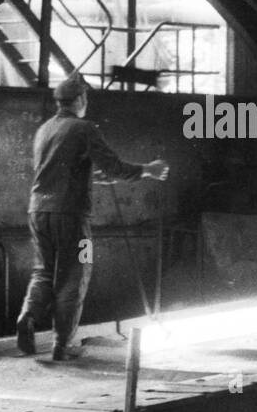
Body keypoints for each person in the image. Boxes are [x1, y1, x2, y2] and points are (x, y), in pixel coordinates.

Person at [16, 75, 169, 360]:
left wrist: (99, 178)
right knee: (76, 274)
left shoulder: (44, 130)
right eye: (86, 98)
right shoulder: (84, 128)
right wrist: (148, 169)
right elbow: (113, 166)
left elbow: (74, 171)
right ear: (80, 100)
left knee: (44, 271)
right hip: (71, 215)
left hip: (38, 211)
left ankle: (27, 315)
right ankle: (62, 345)